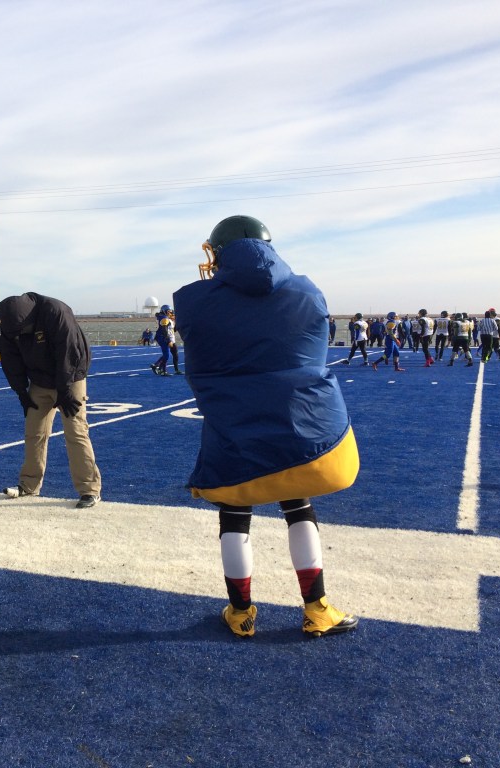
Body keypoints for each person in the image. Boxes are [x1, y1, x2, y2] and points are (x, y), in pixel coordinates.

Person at [176, 215, 358, 639]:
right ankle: (317, 609)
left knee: (234, 512)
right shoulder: (307, 290)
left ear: (219, 253)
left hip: (236, 426)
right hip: (305, 426)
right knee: (298, 505)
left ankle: (240, 613)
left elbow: (200, 371)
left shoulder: (197, 301)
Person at [0, 292, 102, 509]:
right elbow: (10, 359)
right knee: (34, 432)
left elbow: (69, 351)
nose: (18, 336)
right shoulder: (10, 327)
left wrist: (64, 389)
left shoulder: (56, 312)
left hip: (71, 378)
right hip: (39, 380)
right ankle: (29, 485)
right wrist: (21, 391)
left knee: (76, 431)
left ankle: (89, 490)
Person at [150, 304, 179, 375]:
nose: (170, 313)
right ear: (164, 311)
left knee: (167, 355)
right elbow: (164, 330)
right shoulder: (164, 318)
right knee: (166, 355)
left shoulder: (163, 317)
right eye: (168, 311)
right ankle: (158, 366)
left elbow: (170, 329)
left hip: (163, 337)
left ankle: (161, 369)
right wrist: (168, 340)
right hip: (163, 337)